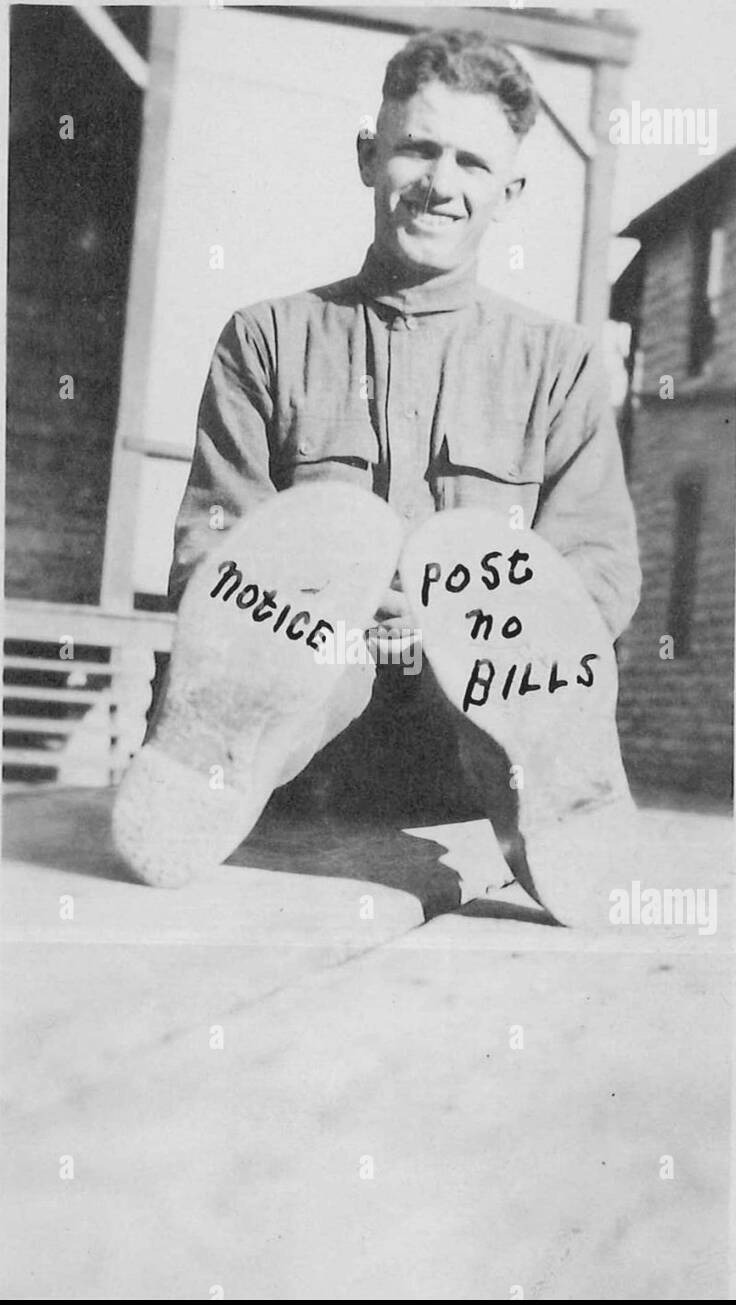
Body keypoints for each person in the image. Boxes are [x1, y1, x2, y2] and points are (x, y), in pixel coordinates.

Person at [113, 28, 642, 927]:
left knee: (500, 624)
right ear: (370, 157)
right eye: (417, 149)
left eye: (472, 161)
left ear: (508, 193)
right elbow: (211, 552)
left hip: (467, 742)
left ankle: (559, 806)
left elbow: (598, 572)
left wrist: (450, 614)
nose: (440, 182)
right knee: (305, 632)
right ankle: (211, 765)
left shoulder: (559, 365)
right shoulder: (268, 340)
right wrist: (344, 602)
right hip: (304, 736)